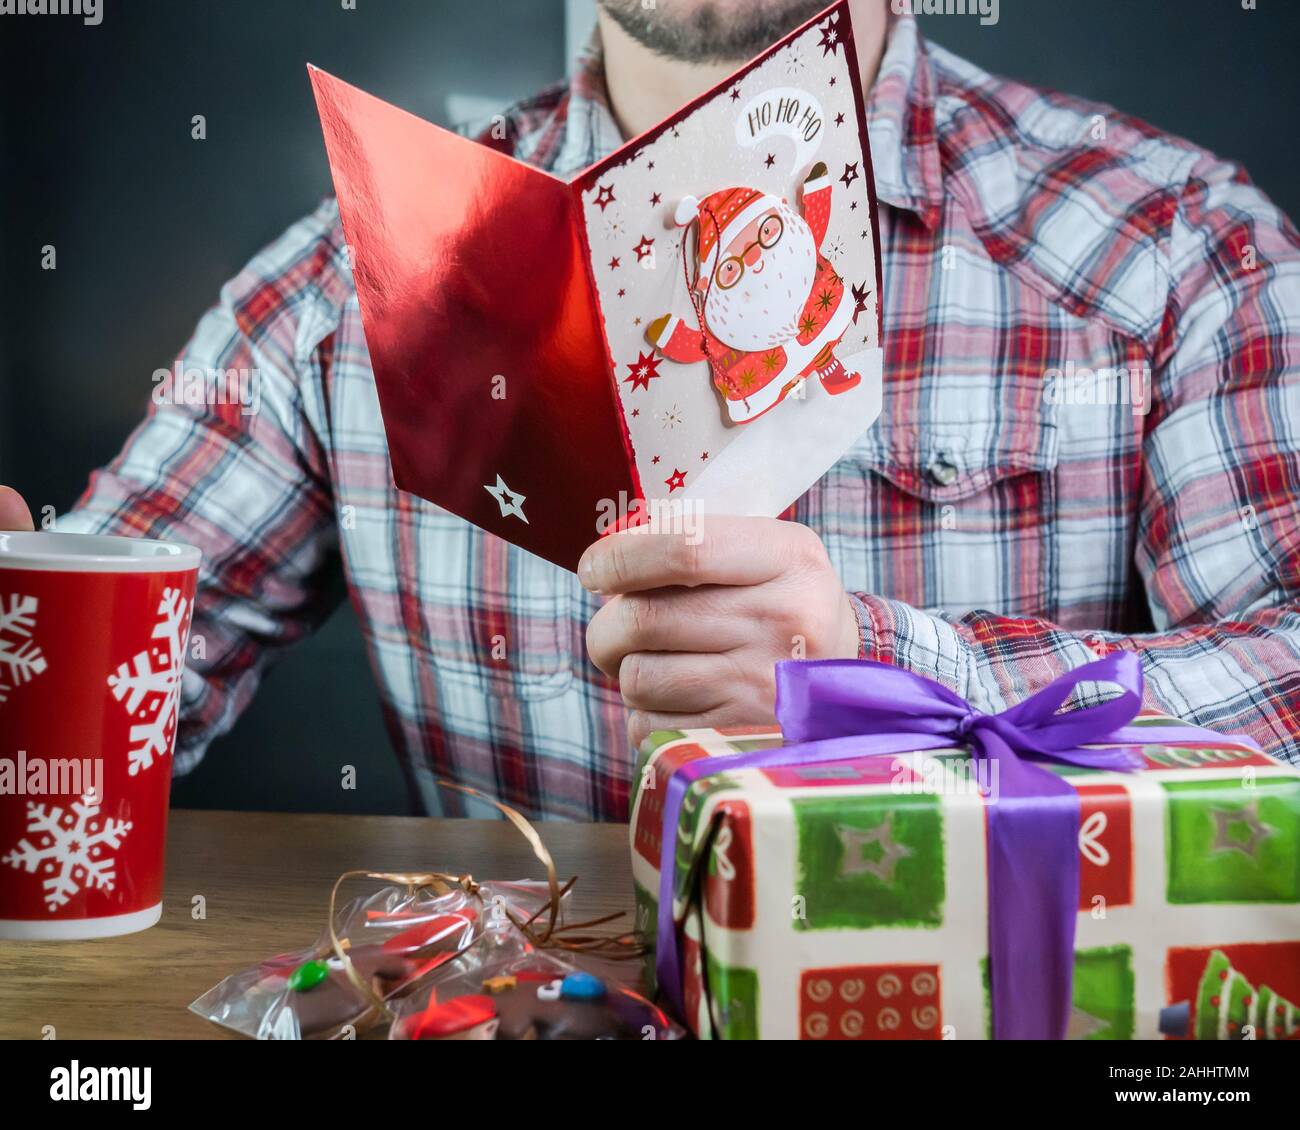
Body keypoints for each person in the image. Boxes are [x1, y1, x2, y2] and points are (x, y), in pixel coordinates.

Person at [3, 0, 1298, 820]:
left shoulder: (1174, 252)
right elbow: (84, 710)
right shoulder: (338, 303)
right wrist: (25, 654)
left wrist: (889, 672)